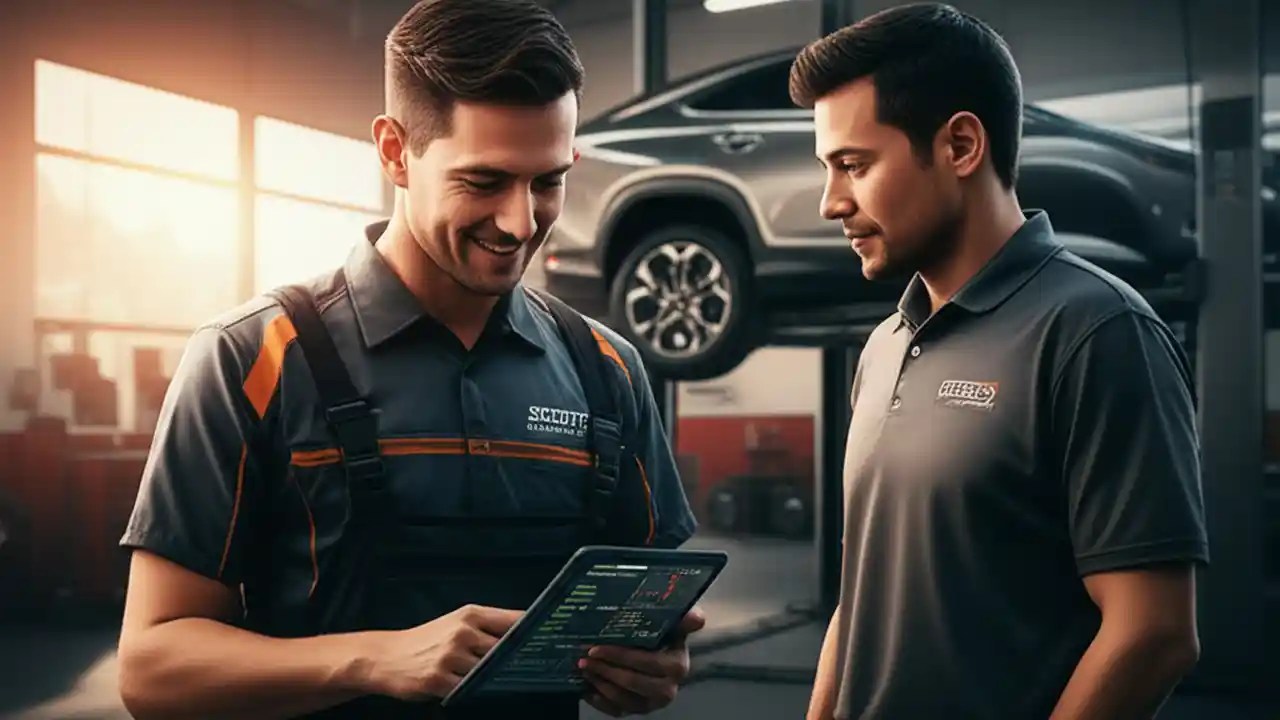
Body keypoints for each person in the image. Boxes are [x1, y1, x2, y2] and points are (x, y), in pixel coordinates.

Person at [115, 1, 701, 718]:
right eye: (484, 182)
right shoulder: (249, 358)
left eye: (547, 181)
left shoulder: (608, 370)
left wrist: (653, 667)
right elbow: (151, 670)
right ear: (395, 152)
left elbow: (656, 631)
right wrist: (373, 658)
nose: (522, 223)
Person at [789, 4, 1208, 720]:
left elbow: (1154, 633)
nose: (832, 202)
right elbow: (861, 598)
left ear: (959, 145)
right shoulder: (886, 344)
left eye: (854, 165)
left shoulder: (1097, 330)